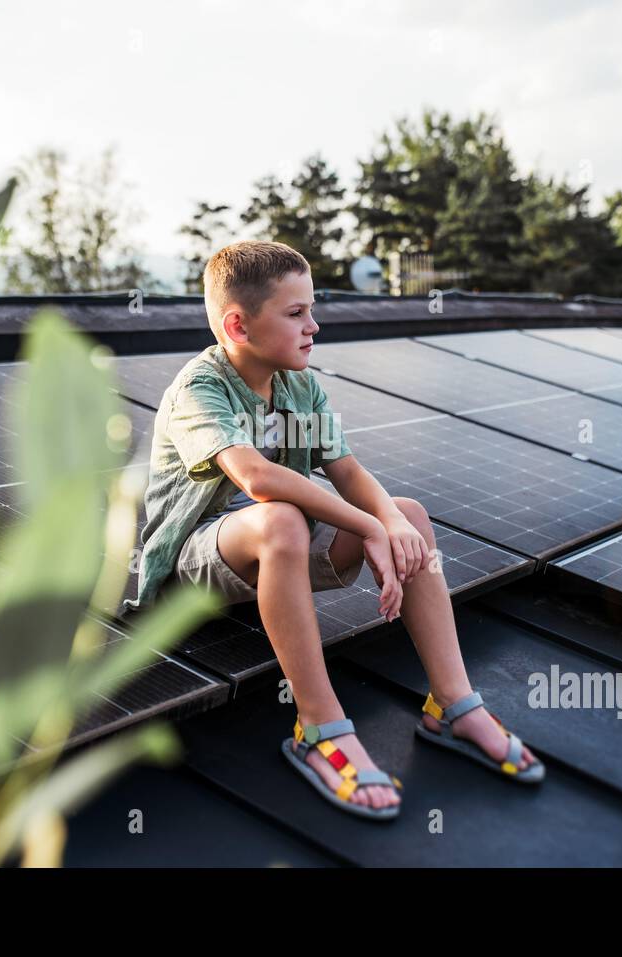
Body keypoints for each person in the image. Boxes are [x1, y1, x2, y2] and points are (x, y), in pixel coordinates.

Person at [122, 240, 543, 819]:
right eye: (296, 313)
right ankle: (318, 726)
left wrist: (388, 522)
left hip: (275, 552)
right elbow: (255, 476)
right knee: (284, 519)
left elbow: (347, 471)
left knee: (412, 515)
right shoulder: (200, 389)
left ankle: (452, 701)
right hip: (195, 565)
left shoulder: (300, 387)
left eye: (311, 309)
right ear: (238, 326)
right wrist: (366, 524)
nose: (313, 326)